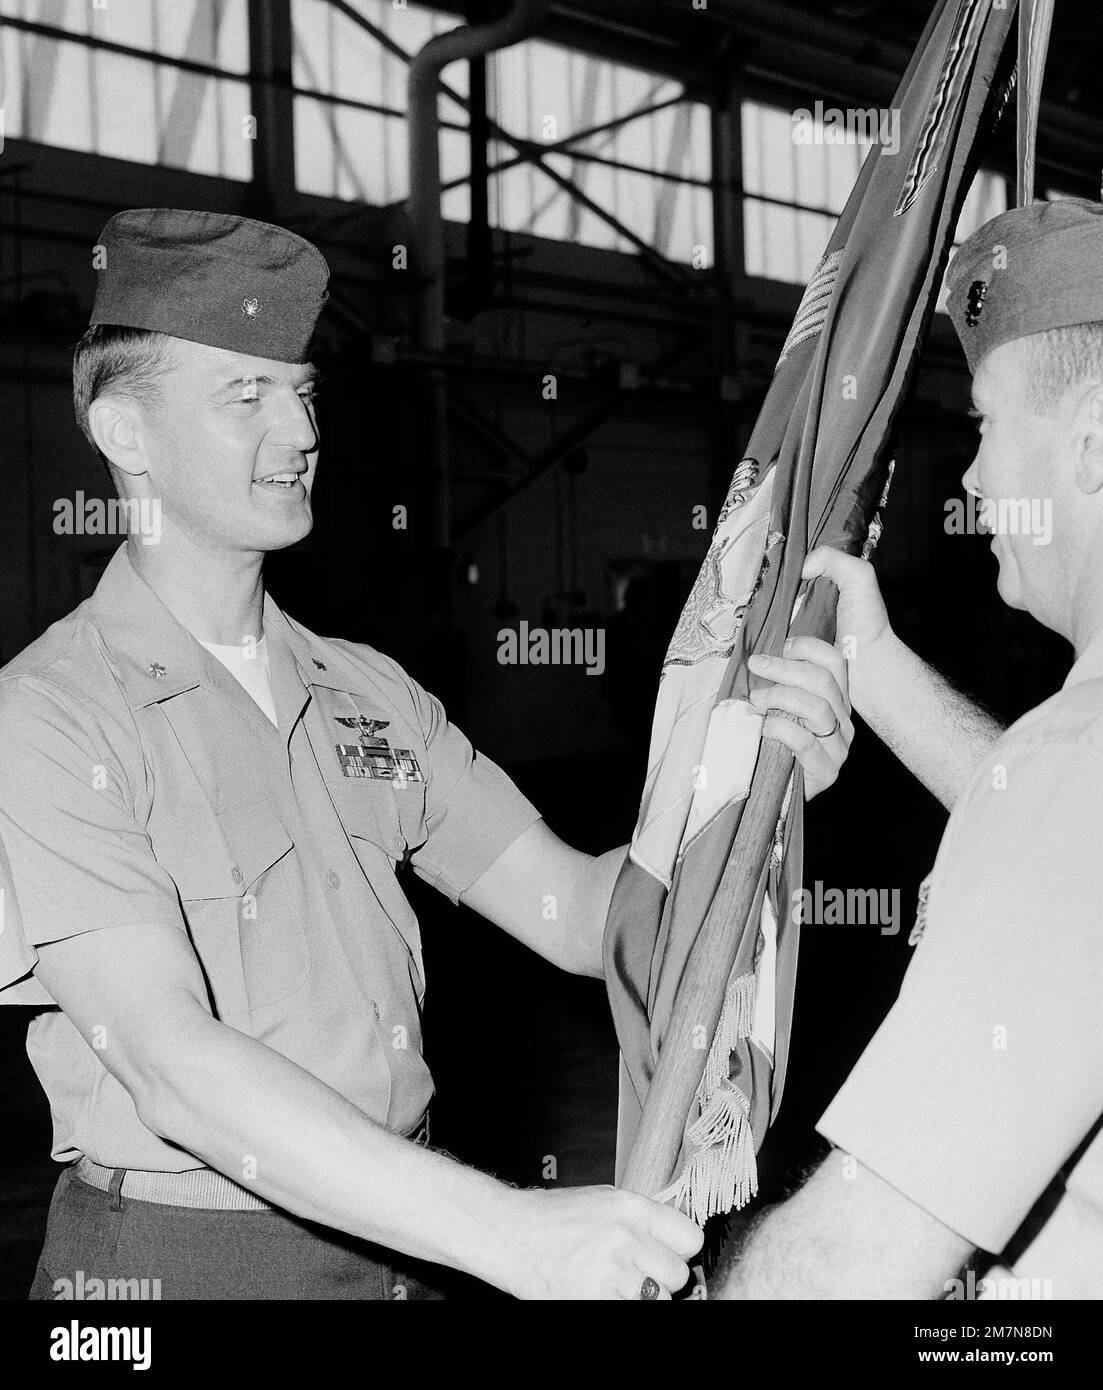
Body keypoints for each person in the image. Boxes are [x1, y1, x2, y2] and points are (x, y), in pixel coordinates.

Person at [0, 208, 851, 1301]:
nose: (300, 431)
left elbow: (587, 917)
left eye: (301, 392)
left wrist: (753, 781)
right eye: (244, 395)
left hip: (400, 1238)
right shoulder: (51, 714)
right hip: (183, 1261)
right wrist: (506, 1232)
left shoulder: (369, 694)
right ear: (123, 433)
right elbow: (171, 1065)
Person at [714, 196, 1103, 1300]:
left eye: (983, 422)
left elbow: (851, 1268)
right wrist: (871, 665)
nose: (971, 478)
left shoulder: (1074, 765)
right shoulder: (1069, 770)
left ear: (1089, 440)